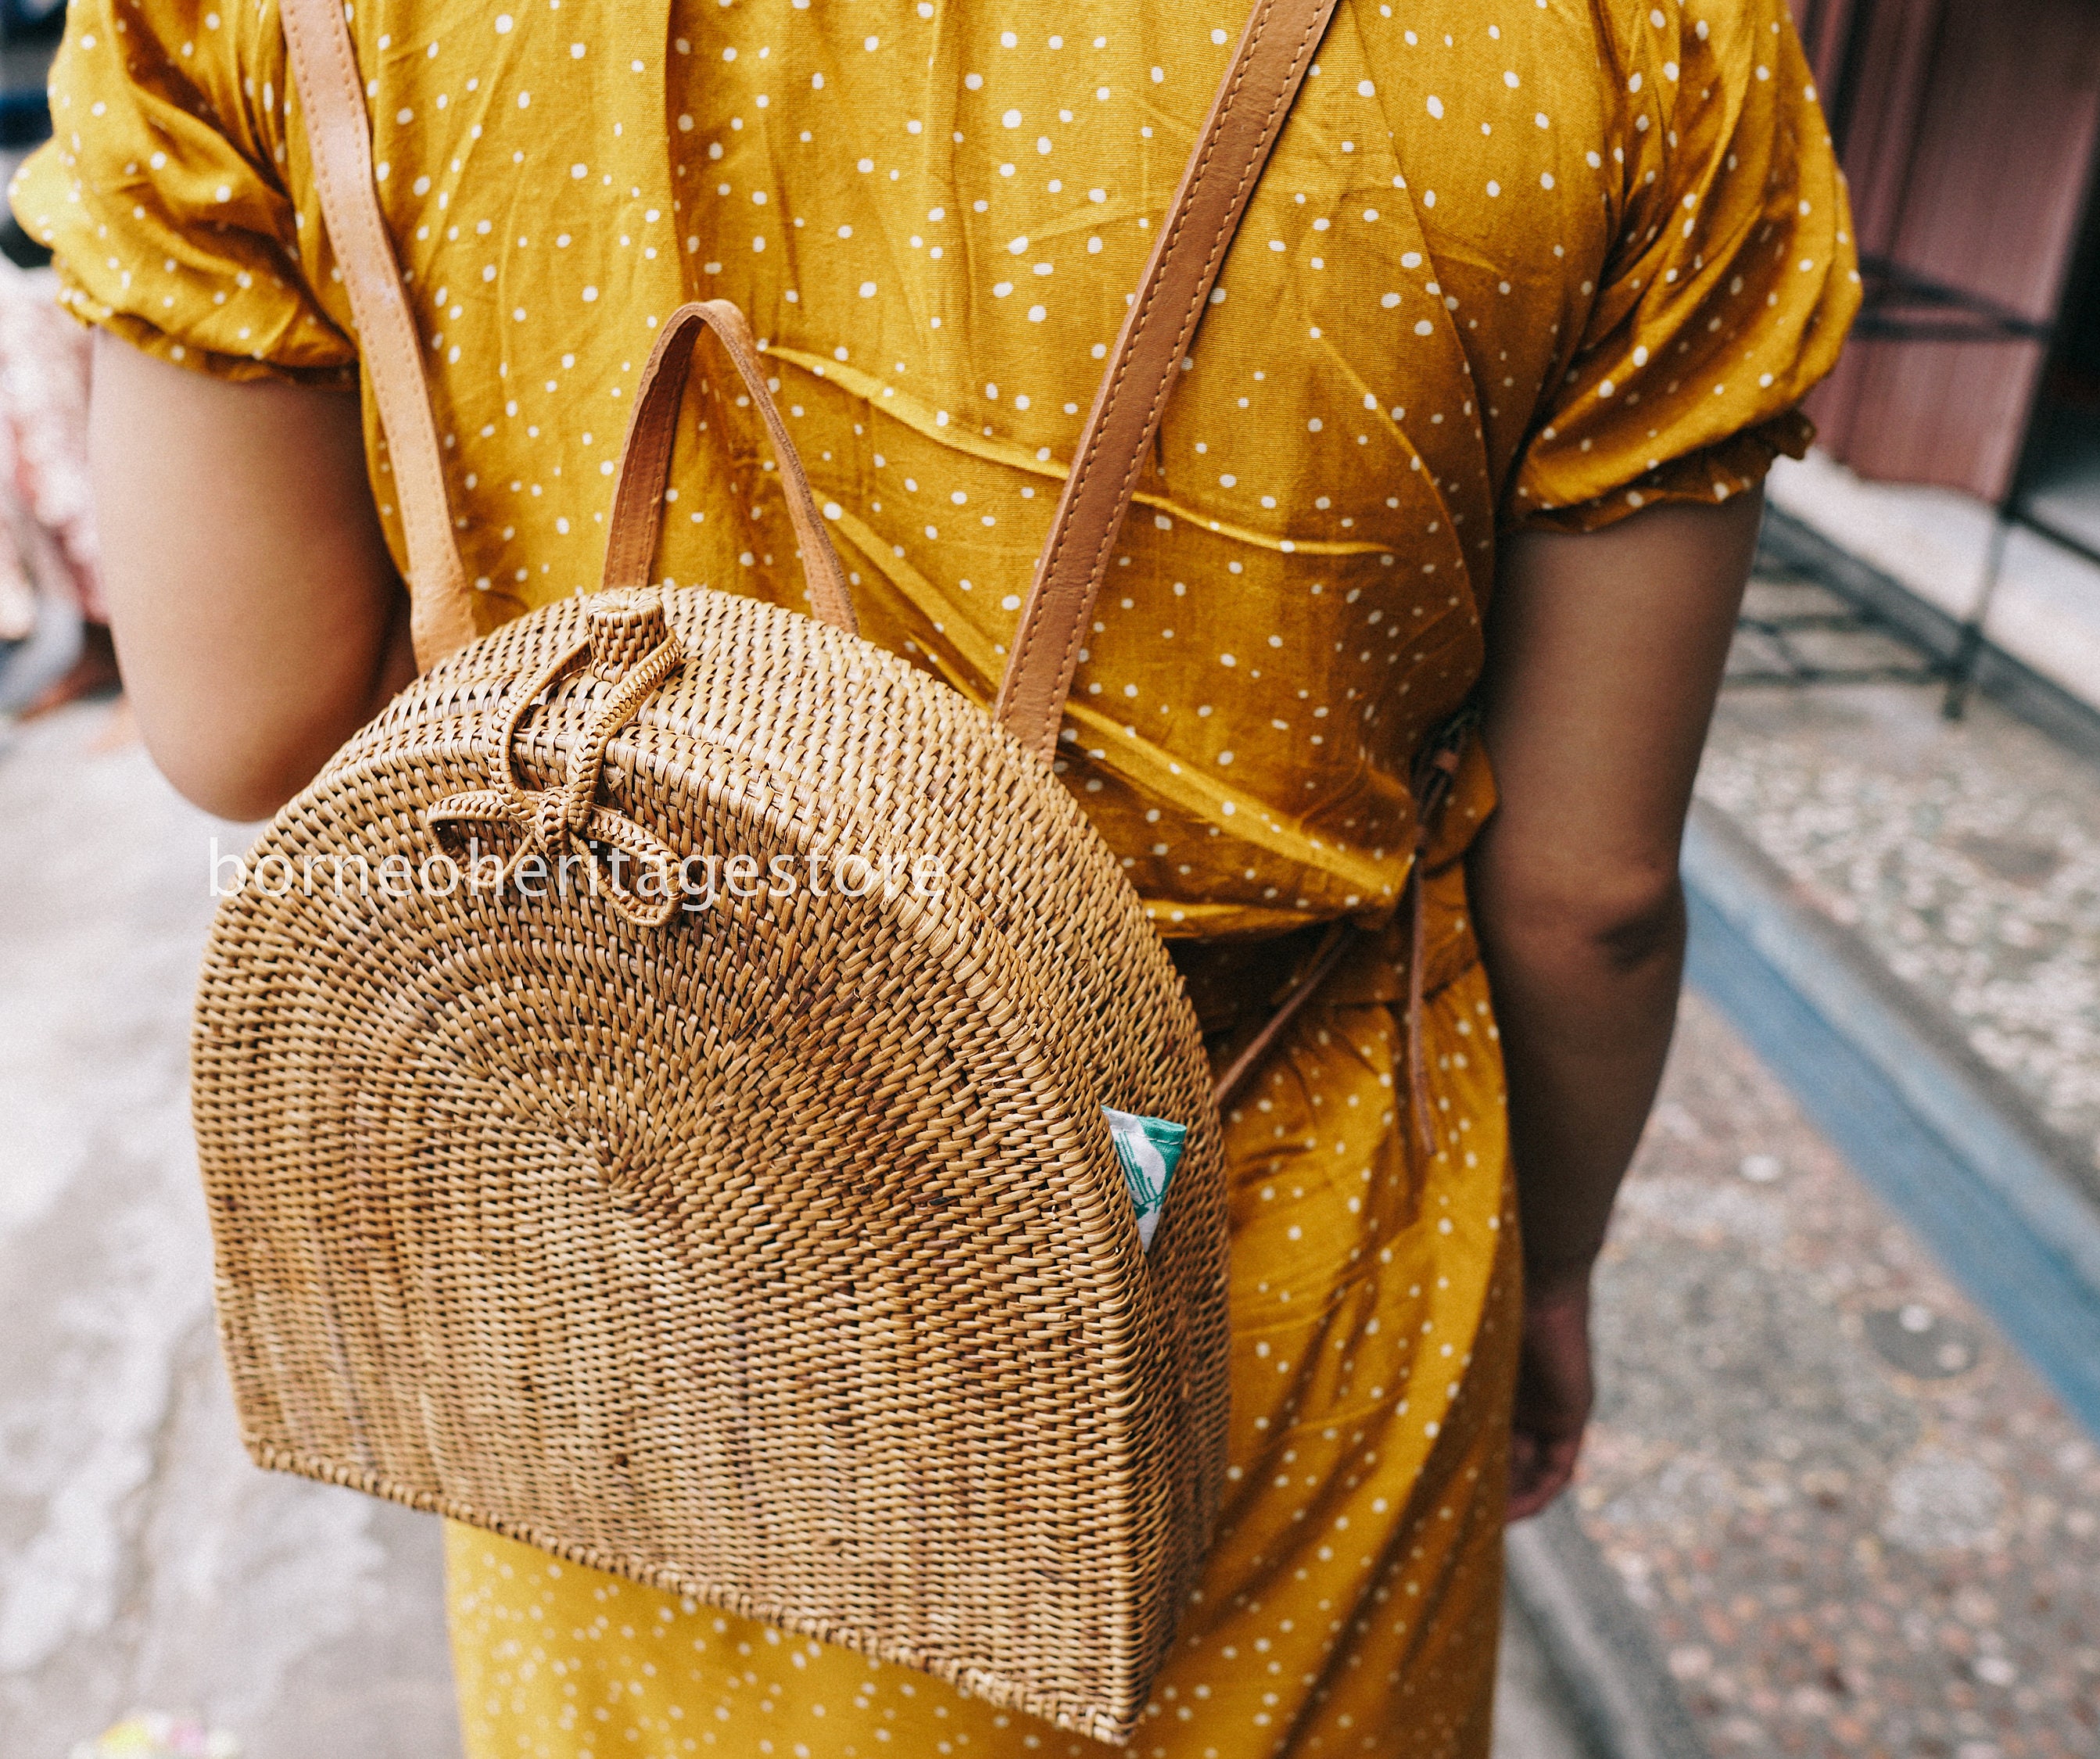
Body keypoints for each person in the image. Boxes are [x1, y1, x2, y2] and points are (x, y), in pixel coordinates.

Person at [15, 0, 1854, 1750]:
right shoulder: (1638, 36)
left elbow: (246, 725)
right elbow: (1591, 896)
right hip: (1251, 1257)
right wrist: (1557, 1268)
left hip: (634, 1210)